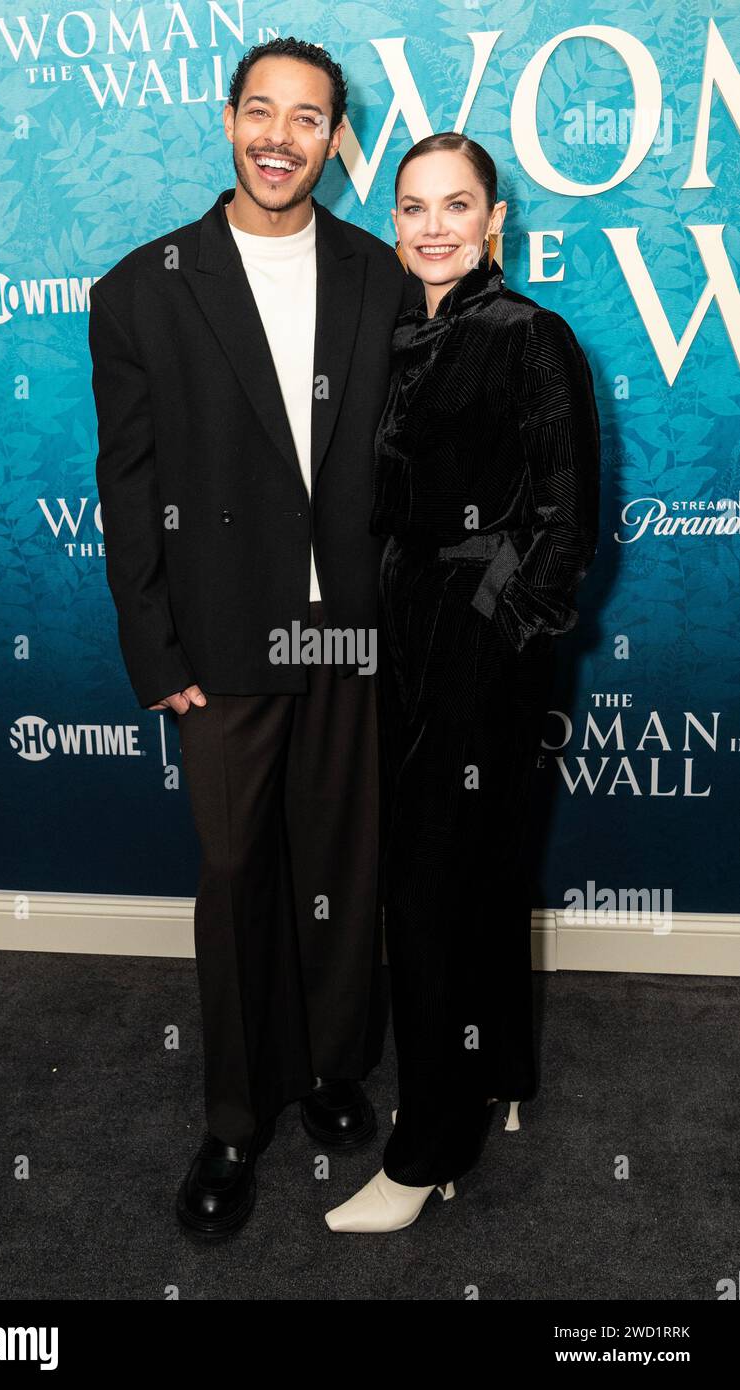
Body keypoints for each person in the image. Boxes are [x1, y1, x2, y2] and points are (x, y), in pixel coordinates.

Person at [89, 37, 422, 1240]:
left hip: (349, 634)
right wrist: (155, 649)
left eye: (309, 117)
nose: (280, 137)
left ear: (337, 138)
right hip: (224, 641)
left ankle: (331, 1067)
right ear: (227, 119)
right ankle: (235, 1114)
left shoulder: (382, 274)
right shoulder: (140, 288)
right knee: (234, 879)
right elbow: (126, 487)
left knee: (341, 862)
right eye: (260, 111)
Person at [326, 132, 601, 1233]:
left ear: (495, 222)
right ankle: (502, 1074)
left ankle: (425, 1151)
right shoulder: (391, 337)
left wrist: (491, 645)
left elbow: (566, 529)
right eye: (411, 207)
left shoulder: (530, 335)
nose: (431, 225)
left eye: (455, 205)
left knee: (433, 896)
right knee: (474, 881)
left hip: (480, 663)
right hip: (394, 645)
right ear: (392, 223)